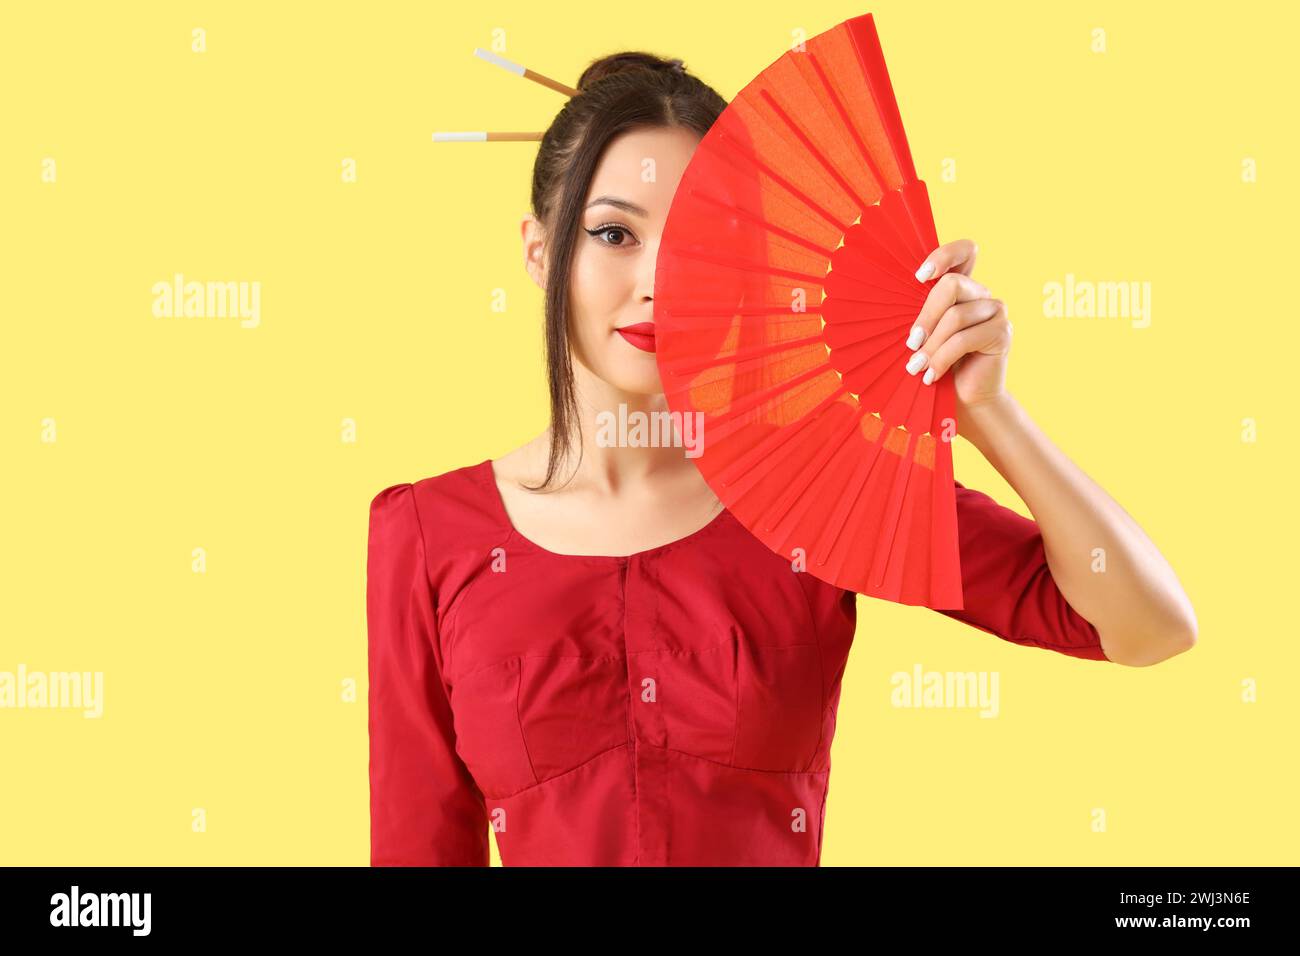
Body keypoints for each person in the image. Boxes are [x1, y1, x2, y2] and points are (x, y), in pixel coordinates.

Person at [367, 51, 1197, 866]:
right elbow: (417, 847)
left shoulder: (823, 486)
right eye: (614, 233)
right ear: (541, 254)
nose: (659, 280)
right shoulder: (428, 535)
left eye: (699, 237)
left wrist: (989, 414)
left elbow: (1149, 627)